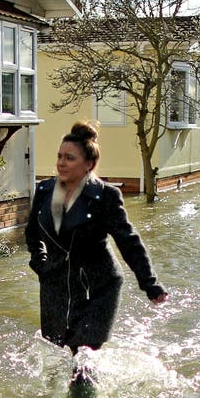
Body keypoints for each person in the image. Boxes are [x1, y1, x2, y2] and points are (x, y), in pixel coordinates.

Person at [25, 121, 168, 380]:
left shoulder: (105, 197)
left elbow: (129, 241)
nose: (61, 163)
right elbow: (33, 232)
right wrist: (39, 260)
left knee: (84, 359)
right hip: (55, 284)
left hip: (98, 287)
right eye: (59, 156)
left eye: (70, 158)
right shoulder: (45, 191)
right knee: (57, 352)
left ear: (88, 164)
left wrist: (150, 283)